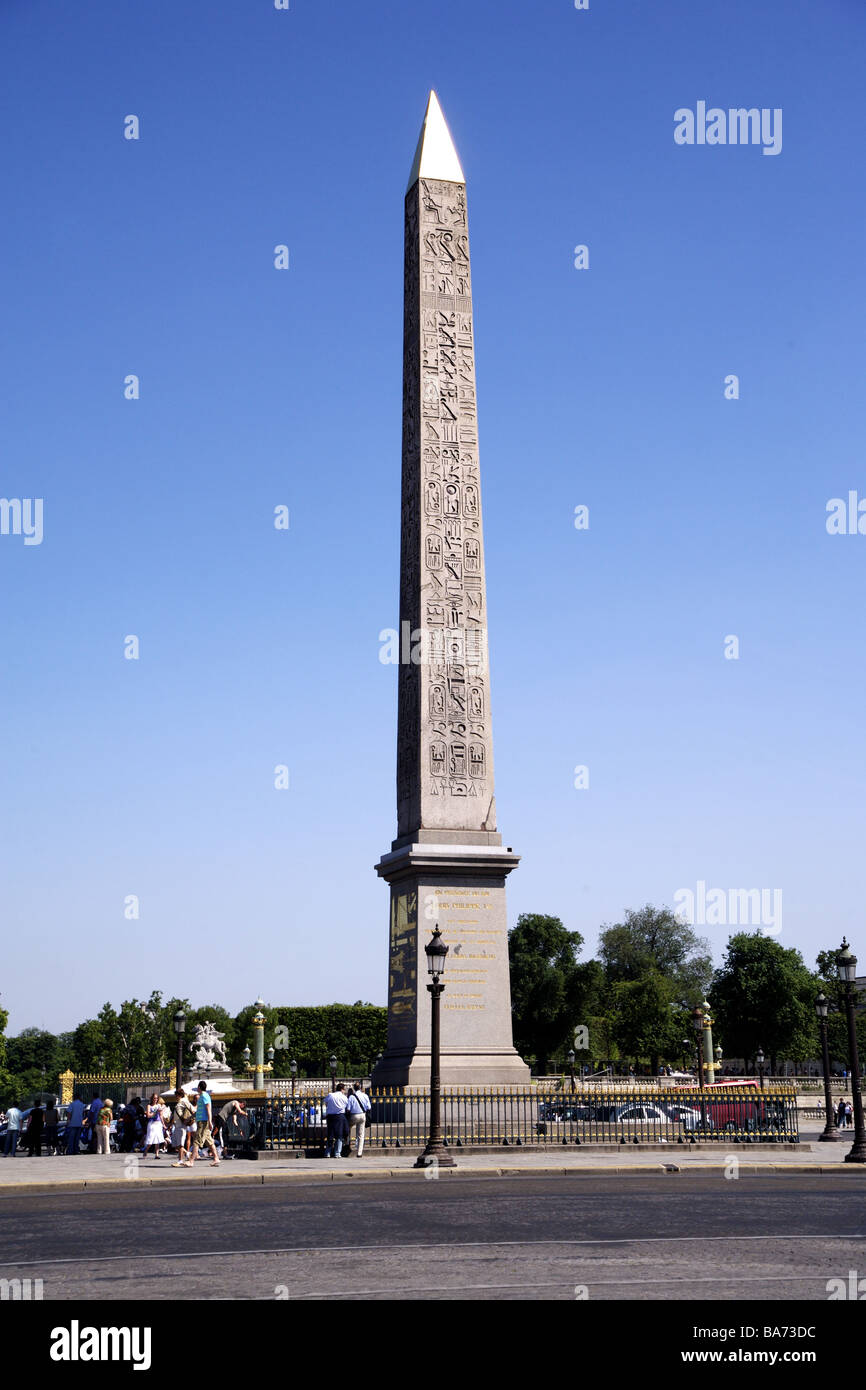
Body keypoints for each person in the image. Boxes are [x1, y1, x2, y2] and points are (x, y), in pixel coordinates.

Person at [181, 1081, 220, 1168]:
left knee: (197, 1141)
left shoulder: (205, 1096)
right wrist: (189, 1118)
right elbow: (198, 1111)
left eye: (197, 1087)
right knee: (209, 1141)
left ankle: (191, 1161)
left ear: (199, 1087)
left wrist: (210, 1121)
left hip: (203, 1122)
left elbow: (209, 1109)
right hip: (200, 1121)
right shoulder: (202, 1097)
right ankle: (216, 1158)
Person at [346, 1082, 371, 1158]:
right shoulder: (365, 1095)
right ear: (360, 1088)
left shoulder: (351, 1097)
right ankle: (359, 1153)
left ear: (354, 1088)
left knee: (348, 1128)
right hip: (363, 1115)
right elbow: (369, 1107)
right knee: (361, 1134)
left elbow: (348, 1109)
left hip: (354, 1115)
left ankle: (347, 1143)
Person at [324, 1083, 349, 1158]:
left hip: (331, 1116)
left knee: (330, 1135)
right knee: (339, 1135)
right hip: (340, 1116)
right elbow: (347, 1106)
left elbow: (325, 1102)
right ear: (342, 1089)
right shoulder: (344, 1097)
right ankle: (337, 1153)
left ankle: (327, 1152)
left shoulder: (330, 1095)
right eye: (344, 1090)